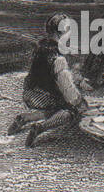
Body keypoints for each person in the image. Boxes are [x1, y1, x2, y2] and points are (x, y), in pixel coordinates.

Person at [9, 13, 91, 146]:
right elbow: (67, 88)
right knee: (70, 112)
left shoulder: (40, 48)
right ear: (64, 33)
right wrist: (79, 101)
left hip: (29, 93)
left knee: (56, 107)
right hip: (44, 98)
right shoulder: (58, 59)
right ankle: (40, 128)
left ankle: (24, 118)